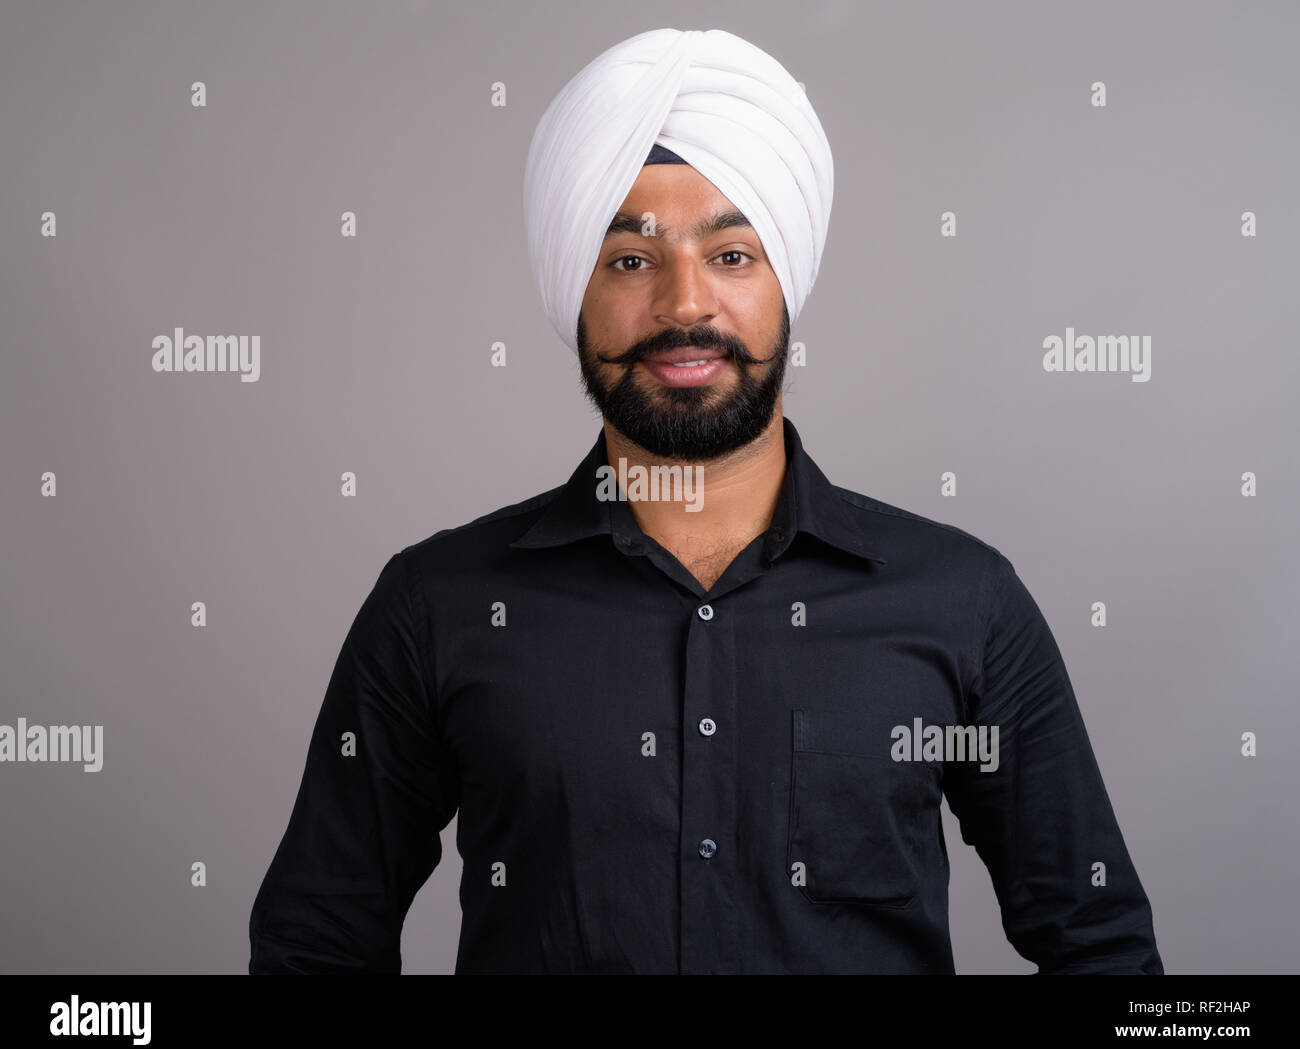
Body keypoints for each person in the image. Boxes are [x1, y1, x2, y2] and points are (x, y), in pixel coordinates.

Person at [248, 27, 1162, 974]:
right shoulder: (435, 605)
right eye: (631, 260)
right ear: (577, 291)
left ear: (784, 284)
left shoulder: (963, 602)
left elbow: (1101, 948)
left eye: (731, 254)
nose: (685, 305)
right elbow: (316, 945)